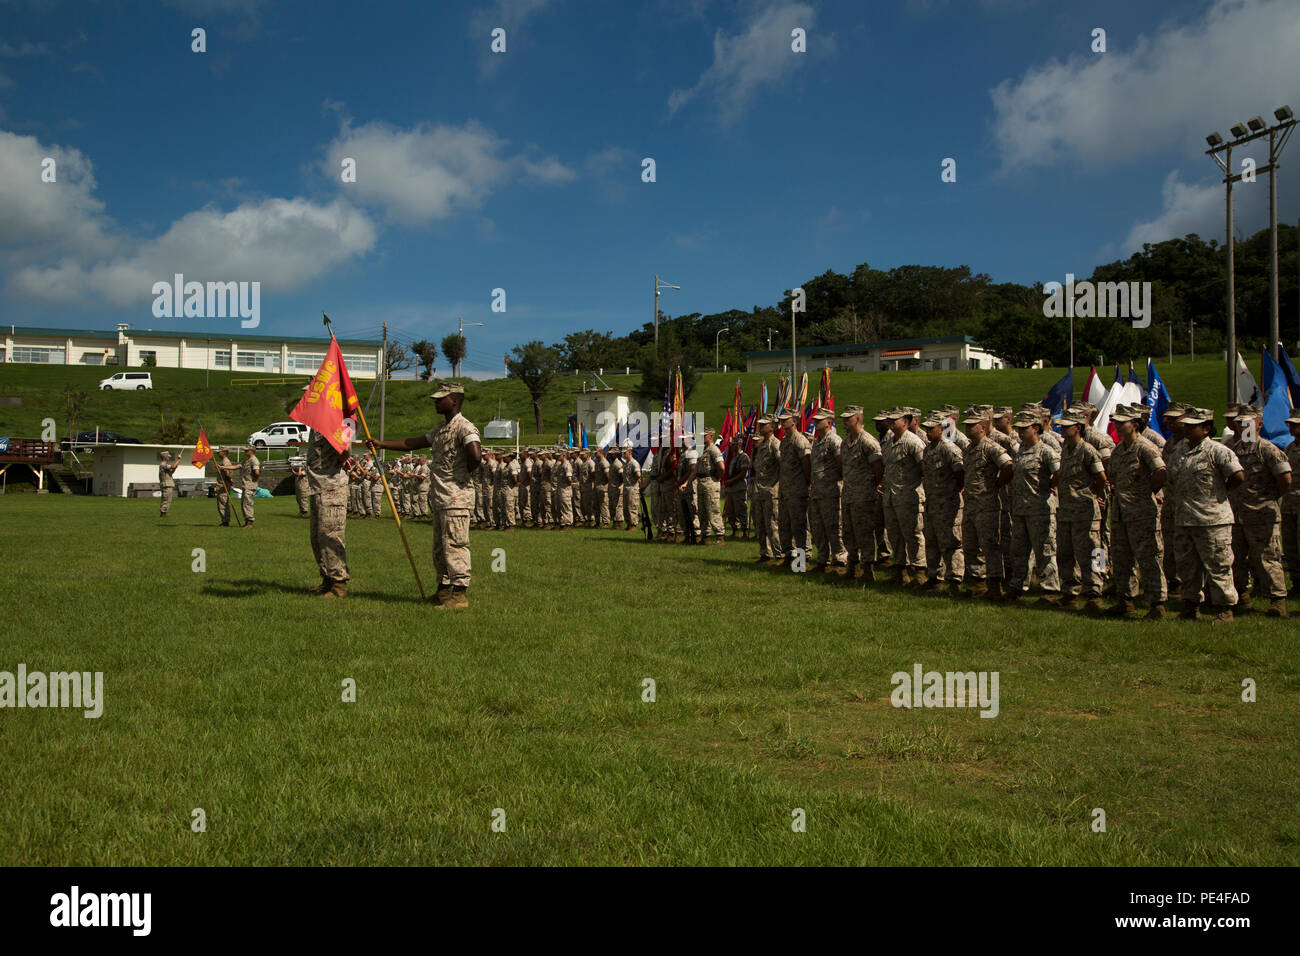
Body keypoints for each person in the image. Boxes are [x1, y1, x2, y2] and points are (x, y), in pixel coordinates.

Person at [367, 381, 482, 609]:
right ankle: (443, 591)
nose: (436, 402)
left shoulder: (464, 427)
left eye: (441, 398)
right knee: (440, 547)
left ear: (454, 400)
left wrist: (465, 472)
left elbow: (476, 454)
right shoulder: (440, 430)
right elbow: (412, 442)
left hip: (456, 498)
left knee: (455, 545)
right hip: (441, 497)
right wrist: (381, 444)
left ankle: (459, 595)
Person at [1166, 407, 1244, 623]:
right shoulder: (1179, 453)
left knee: (1218, 566)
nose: (1187, 429)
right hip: (1185, 519)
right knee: (1187, 567)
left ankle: (1225, 609)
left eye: (1193, 426)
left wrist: (1220, 493)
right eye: (1186, 425)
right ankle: (1191, 607)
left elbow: (1237, 476)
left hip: (1212, 520)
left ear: (1207, 429)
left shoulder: (1217, 451)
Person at [1224, 406, 1292, 616]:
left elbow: (1285, 479)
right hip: (1236, 514)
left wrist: (1269, 498)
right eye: (1239, 423)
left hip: (1262, 514)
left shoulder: (1268, 449)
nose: (1242, 426)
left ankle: (1277, 600)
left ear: (1259, 425)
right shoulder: (1230, 449)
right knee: (1236, 558)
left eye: (1248, 423)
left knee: (1267, 558)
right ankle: (1241, 596)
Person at [1107, 404, 1167, 619]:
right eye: (1116, 422)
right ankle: (1126, 600)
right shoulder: (1119, 449)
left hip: (1141, 513)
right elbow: (1112, 475)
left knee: (1148, 558)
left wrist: (1148, 491)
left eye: (1121, 422)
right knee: (1122, 557)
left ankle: (1157, 604)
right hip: (1121, 513)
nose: (1117, 425)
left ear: (1134, 424)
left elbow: (1161, 471)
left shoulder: (1145, 447)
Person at [1003, 412, 1059, 605]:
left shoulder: (1045, 451)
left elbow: (1058, 472)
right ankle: (1017, 586)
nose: (1020, 431)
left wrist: (1048, 485)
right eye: (1019, 428)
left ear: (1035, 428)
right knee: (1019, 551)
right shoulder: (1020, 451)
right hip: (1020, 509)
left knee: (1045, 551)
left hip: (1039, 510)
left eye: (1024, 428)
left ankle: (1049, 590)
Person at [1057, 411, 1109, 613]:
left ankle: (1095, 592)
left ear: (1078, 428)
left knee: (1094, 552)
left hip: (1086, 512)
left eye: (1066, 426)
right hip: (1067, 511)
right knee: (1066, 553)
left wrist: (1094, 495)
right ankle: (1070, 592)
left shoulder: (1087, 450)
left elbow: (1101, 477)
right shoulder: (1065, 448)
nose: (1062, 429)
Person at [961, 410, 1012, 599]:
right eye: (966, 425)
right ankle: (978, 583)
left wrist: (997, 484)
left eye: (971, 425)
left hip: (987, 504)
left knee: (990, 545)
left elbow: (1008, 466)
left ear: (982, 427)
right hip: (971, 504)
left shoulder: (991, 447)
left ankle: (995, 585)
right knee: (971, 545)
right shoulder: (969, 449)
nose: (967, 428)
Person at [920, 411, 964, 594]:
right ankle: (934, 577)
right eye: (927, 429)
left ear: (942, 428)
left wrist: (953, 492)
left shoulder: (949, 449)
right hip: (932, 503)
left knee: (950, 543)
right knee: (931, 541)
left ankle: (955, 580)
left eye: (932, 428)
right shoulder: (928, 450)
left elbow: (960, 474)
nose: (928, 432)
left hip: (948, 504)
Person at [306, 424, 352, 598]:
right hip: (318, 486)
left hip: (332, 487)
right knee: (318, 537)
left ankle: (339, 584)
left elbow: (345, 449)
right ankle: (327, 579)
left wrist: (342, 458)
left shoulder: (334, 420)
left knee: (331, 535)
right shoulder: (317, 424)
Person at [882, 407, 927, 584]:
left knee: (913, 535)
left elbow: (924, 467)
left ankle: (920, 572)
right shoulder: (889, 443)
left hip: (909, 497)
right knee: (895, 535)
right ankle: (900, 571)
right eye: (890, 420)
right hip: (891, 497)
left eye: (895, 420)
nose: (891, 423)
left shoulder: (913, 442)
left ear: (905, 422)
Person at [839, 406, 883, 581]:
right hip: (849, 495)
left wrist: (874, 484)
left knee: (864, 533)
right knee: (848, 532)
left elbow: (878, 467)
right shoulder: (845, 443)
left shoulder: (867, 442)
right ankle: (853, 566)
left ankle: (868, 568)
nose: (844, 422)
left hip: (864, 496)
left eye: (848, 419)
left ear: (857, 419)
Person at [808, 409, 847, 573]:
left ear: (829, 423)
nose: (816, 422)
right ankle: (823, 560)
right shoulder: (817, 442)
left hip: (831, 492)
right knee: (818, 528)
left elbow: (841, 463)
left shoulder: (834, 440)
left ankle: (840, 560)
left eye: (820, 420)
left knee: (834, 527)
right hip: (818, 491)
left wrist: (835, 481)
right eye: (815, 420)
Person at [777, 409, 811, 566]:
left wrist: (807, 484)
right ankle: (788, 557)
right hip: (785, 490)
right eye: (782, 419)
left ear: (794, 421)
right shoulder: (784, 440)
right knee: (784, 525)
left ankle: (802, 561)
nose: (783, 422)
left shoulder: (800, 440)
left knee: (799, 527)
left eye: (786, 419)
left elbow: (806, 464)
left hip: (797, 490)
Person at [750, 415, 782, 564]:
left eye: (764, 425)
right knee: (760, 524)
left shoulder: (775, 444)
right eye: (760, 424)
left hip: (771, 490)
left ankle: (780, 555)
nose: (761, 427)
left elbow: (781, 465)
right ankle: (765, 554)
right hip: (759, 491)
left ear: (772, 427)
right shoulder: (762, 445)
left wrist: (777, 484)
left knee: (773, 525)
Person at [695, 427, 726, 545]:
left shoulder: (714, 450)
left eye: (704, 435)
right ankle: (705, 536)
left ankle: (720, 536)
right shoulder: (703, 450)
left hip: (710, 483)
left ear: (711, 436)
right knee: (702, 512)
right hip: (701, 483)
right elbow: (697, 469)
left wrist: (717, 477)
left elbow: (721, 467)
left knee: (713, 511)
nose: (701, 437)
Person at [1282, 408, 1300, 597]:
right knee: (1290, 545)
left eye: (1296, 424)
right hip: (1289, 503)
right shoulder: (1290, 448)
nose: (1292, 428)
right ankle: (1296, 583)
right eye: (1291, 424)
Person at [724, 435, 751, 539]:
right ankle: (735, 530)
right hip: (731, 487)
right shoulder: (733, 457)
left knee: (741, 510)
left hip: (739, 487)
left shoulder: (744, 457)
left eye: (733, 445)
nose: (731, 446)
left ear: (739, 445)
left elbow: (743, 473)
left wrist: (731, 481)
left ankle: (745, 531)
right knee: (730, 511)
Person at [677, 432, 700, 545]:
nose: (682, 442)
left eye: (684, 439)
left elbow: (692, 469)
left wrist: (682, 481)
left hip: (690, 487)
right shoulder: (683, 454)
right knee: (683, 512)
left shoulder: (692, 453)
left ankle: (697, 535)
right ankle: (687, 535)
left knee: (693, 511)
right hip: (683, 487)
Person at [619, 441, 641, 530]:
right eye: (623, 453)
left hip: (632, 488)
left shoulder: (634, 463)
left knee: (632, 507)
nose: (623, 455)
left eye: (625, 453)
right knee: (626, 507)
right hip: (626, 487)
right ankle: (628, 524)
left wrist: (635, 479)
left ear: (630, 452)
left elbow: (638, 474)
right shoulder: (626, 463)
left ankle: (633, 524)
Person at [158, 451, 179, 517]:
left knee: (168, 500)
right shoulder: (163, 464)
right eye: (168, 456)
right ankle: (163, 513)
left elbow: (171, 472)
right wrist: (178, 459)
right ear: (165, 457)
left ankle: (164, 512)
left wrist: (175, 468)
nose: (169, 458)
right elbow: (173, 466)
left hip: (168, 484)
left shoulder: (165, 465)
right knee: (165, 499)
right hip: (166, 485)